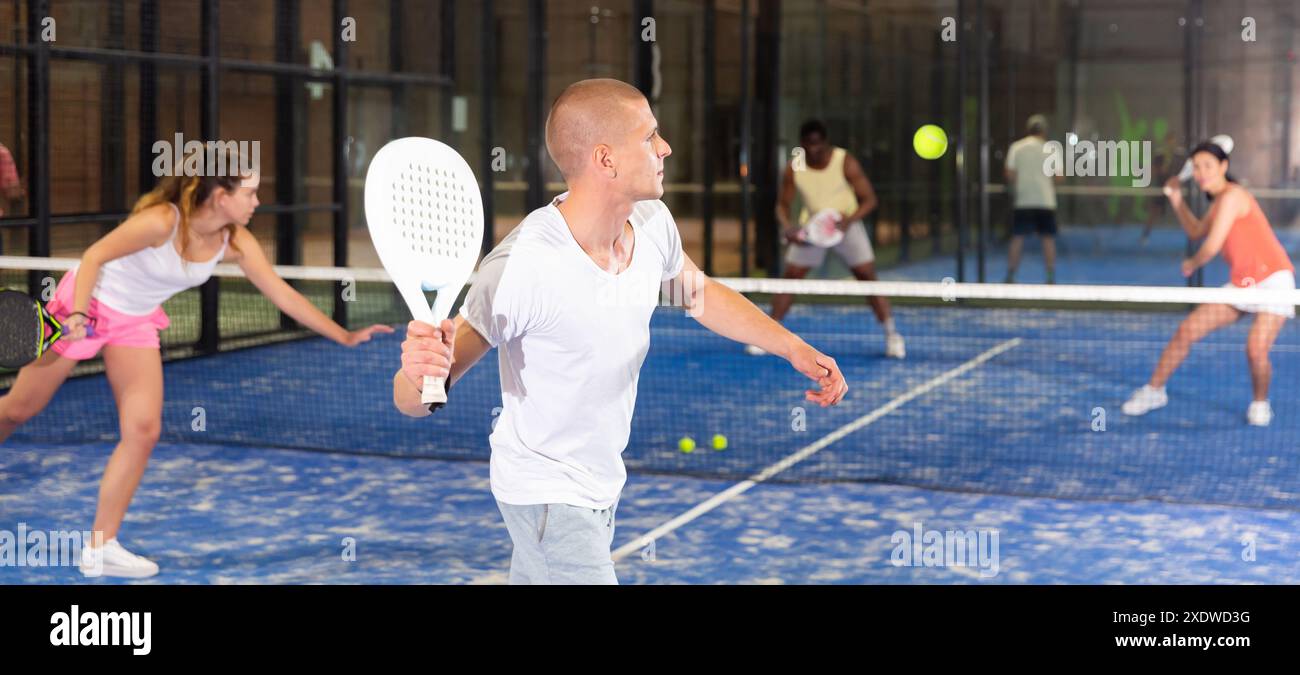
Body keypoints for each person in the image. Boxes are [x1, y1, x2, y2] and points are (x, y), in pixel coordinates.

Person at [392, 79, 848, 584]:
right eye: (650, 136)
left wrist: (792, 347)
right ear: (605, 160)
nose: (665, 147)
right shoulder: (523, 267)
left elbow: (698, 295)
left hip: (599, 487)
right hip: (549, 495)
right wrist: (417, 375)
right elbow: (418, 397)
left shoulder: (651, 222)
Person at [0, 151, 393, 577]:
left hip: (135, 322)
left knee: (144, 430)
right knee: (18, 411)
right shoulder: (161, 222)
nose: (257, 202)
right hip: (86, 305)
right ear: (220, 196)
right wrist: (76, 314)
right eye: (250, 193)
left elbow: (283, 294)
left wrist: (344, 334)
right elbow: (93, 256)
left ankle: (101, 545)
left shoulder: (235, 240)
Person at [1122, 140, 1294, 426]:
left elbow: (1211, 246)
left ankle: (1260, 403)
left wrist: (1192, 263)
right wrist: (1177, 199)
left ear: (1224, 167)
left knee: (1255, 349)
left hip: (1274, 282)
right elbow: (1196, 231)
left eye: (1208, 166)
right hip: (1243, 284)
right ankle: (1154, 391)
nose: (1201, 172)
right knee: (1187, 330)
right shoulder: (1218, 204)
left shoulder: (1233, 196)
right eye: (1197, 166)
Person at [749, 119, 904, 359]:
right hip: (812, 229)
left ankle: (892, 335)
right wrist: (789, 227)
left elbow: (870, 199)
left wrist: (848, 221)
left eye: (818, 144)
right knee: (790, 279)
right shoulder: (795, 166)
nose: (814, 149)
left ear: (826, 143)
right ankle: (768, 337)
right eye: (809, 144)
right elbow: (782, 205)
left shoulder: (846, 162)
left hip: (846, 226)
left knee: (868, 278)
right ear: (802, 143)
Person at [1004, 114, 1062, 284]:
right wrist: (1044, 180)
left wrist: (1022, 183)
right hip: (1045, 200)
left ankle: (1010, 275)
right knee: (1048, 239)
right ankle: (1050, 277)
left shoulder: (1017, 147)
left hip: (1024, 200)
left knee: (1017, 238)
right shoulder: (1051, 148)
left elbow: (1009, 174)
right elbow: (1059, 176)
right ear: (1044, 131)